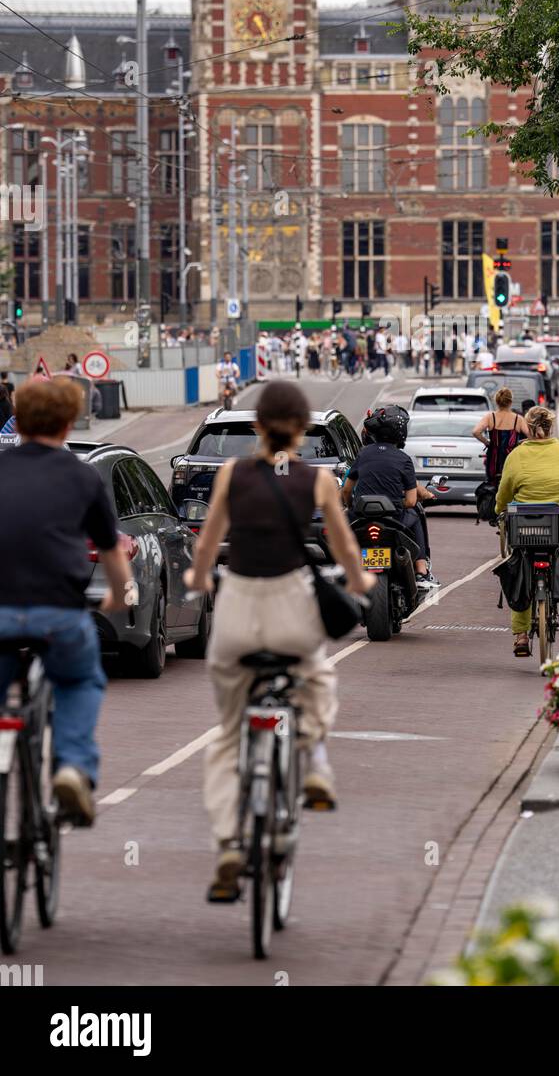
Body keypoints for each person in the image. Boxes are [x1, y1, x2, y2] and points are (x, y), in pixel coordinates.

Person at [184, 380, 375, 901]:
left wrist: (198, 580)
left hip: (240, 607)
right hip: (292, 604)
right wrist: (360, 583)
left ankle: (228, 844)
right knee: (317, 676)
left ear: (257, 427)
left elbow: (207, 544)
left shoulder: (232, 473)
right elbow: (343, 544)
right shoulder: (316, 480)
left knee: (228, 732)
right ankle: (314, 763)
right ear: (301, 430)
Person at [0, 379, 132, 825]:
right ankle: (73, 767)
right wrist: (116, 594)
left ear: (17, 421)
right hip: (60, 614)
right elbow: (111, 549)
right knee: (79, 682)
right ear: (69, 423)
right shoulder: (82, 476)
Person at [495, 407, 559, 657]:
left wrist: (499, 509)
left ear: (528, 428)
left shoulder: (516, 455)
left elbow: (504, 491)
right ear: (550, 427)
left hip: (523, 526)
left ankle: (520, 634)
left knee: (520, 574)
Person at [342, 405, 439, 588]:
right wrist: (396, 501)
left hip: (361, 516)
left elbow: (346, 490)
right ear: (401, 433)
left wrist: (351, 506)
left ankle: (340, 567)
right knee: (417, 515)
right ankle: (421, 571)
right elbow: (411, 501)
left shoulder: (363, 454)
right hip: (395, 517)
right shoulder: (403, 459)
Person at [472, 387, 529, 483]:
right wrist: (517, 443)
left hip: (494, 459)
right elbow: (531, 436)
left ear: (496, 401)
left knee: (493, 486)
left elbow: (476, 432)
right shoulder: (518, 419)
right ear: (510, 402)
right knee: (512, 485)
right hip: (512, 458)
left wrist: (487, 442)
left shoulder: (490, 417)